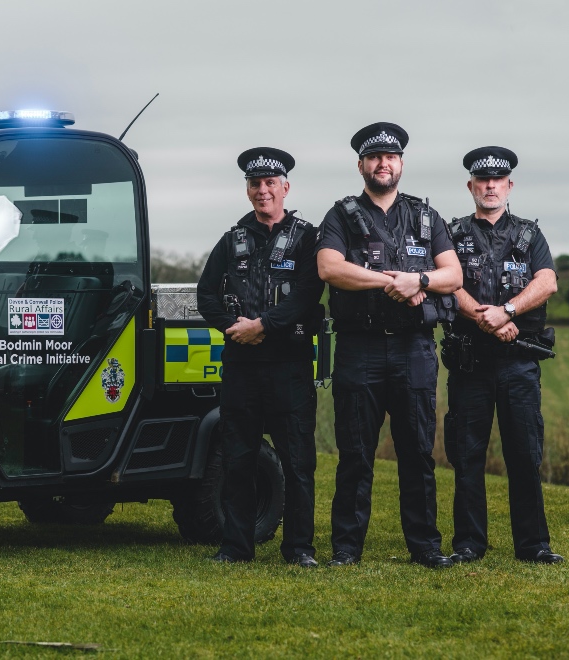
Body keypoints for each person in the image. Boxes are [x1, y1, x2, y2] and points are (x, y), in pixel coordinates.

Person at [316, 122, 462, 569]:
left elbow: (452, 275)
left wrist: (418, 279)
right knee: (356, 454)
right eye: (375, 157)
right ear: (361, 164)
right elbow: (329, 267)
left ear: (401, 164)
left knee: (418, 452)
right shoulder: (341, 215)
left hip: (414, 350)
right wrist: (391, 282)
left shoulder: (425, 216)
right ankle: (346, 549)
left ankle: (425, 547)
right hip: (360, 350)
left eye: (391, 156)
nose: (384, 163)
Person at [196, 147, 324, 566]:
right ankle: (236, 547)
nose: (263, 190)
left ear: (285, 187)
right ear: (248, 190)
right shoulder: (232, 239)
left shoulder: (308, 237)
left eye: (271, 183)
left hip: (289, 365)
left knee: (298, 461)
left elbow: (307, 295)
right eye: (256, 184)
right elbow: (205, 295)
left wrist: (263, 326)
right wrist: (234, 328)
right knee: (238, 458)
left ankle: (299, 548)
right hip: (242, 367)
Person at [442, 146, 564, 565]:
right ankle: (469, 544)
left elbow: (547, 281)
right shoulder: (452, 233)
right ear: (471, 186)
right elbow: (446, 282)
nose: (490, 186)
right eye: (482, 180)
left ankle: (534, 546)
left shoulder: (530, 234)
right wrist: (484, 317)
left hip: (518, 364)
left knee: (525, 456)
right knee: (467, 456)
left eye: (497, 180)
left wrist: (508, 310)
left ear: (509, 186)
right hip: (470, 363)